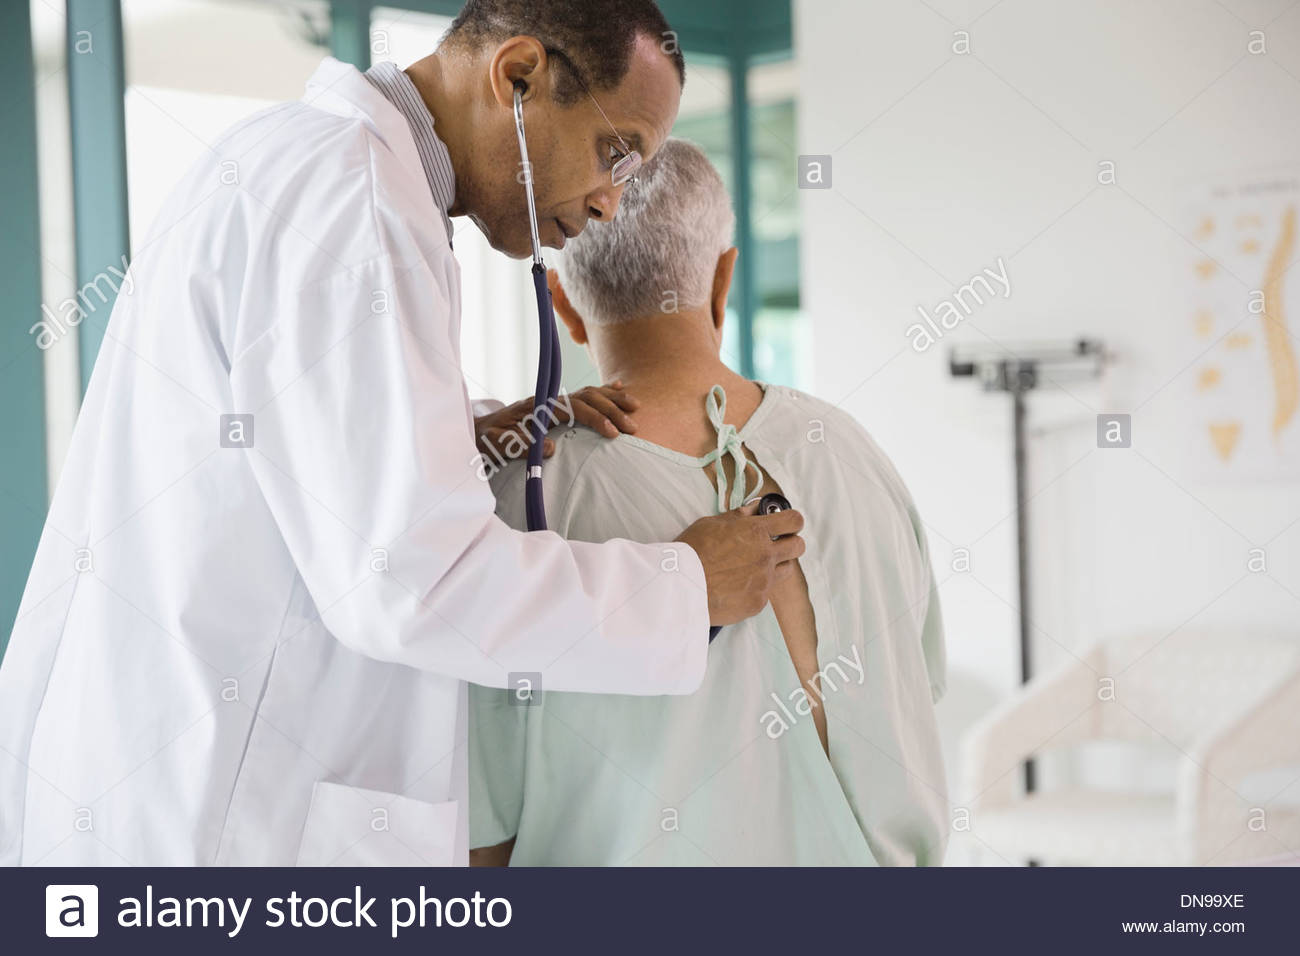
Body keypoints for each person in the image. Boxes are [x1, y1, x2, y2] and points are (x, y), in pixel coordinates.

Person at [0, 1, 806, 867]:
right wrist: (686, 586)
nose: (612, 203)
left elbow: (287, 441)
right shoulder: (351, 198)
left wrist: (453, 434)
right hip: (216, 824)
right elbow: (412, 576)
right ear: (519, 75)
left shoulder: (301, 162)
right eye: (617, 152)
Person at [469, 140, 948, 866]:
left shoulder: (519, 501)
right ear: (724, 279)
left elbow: (483, 831)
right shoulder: (857, 455)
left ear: (563, 303)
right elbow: (920, 693)